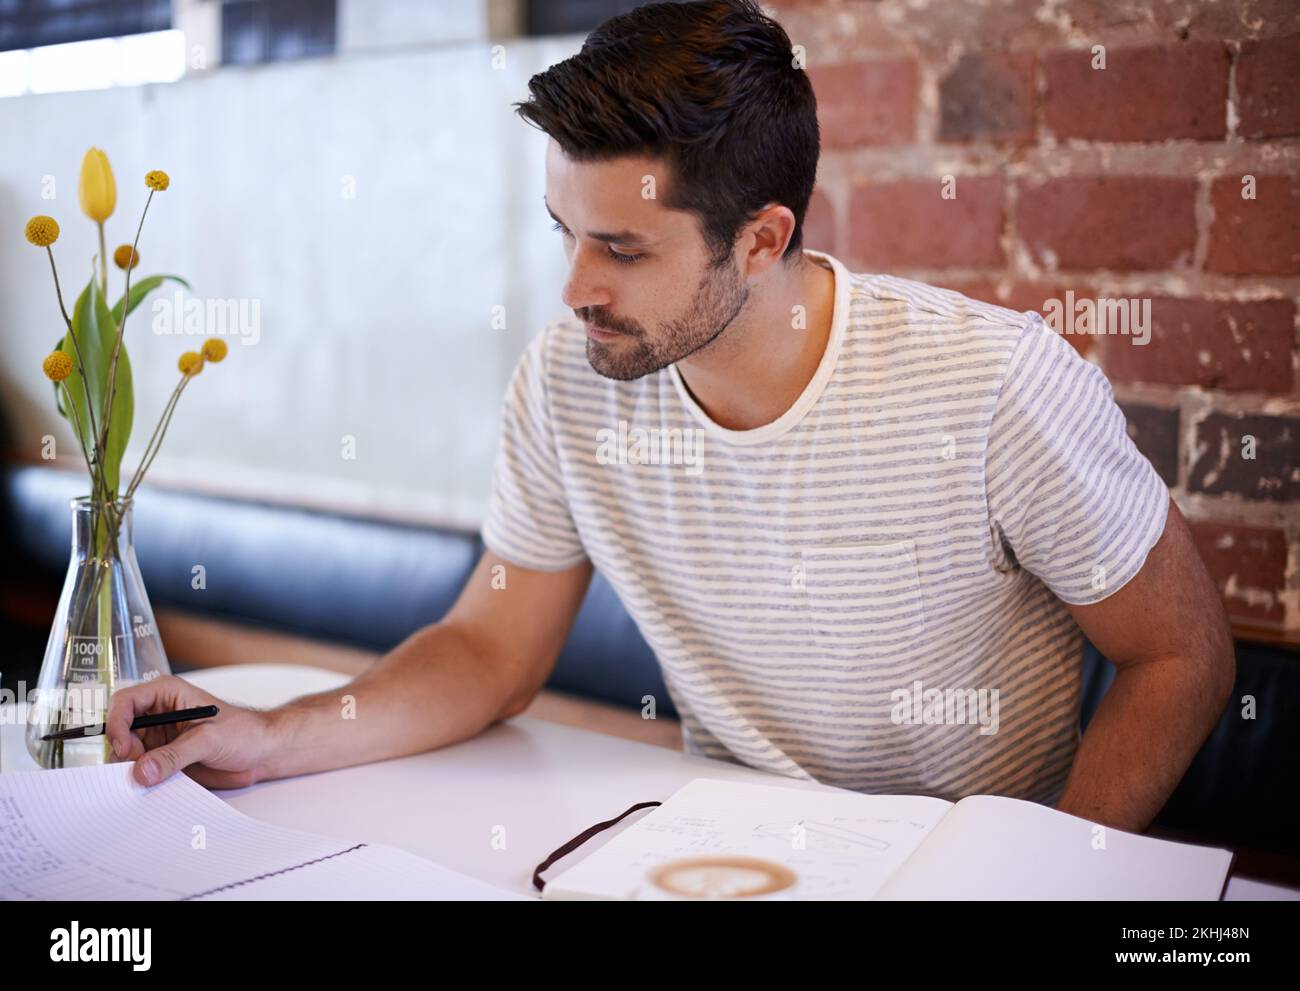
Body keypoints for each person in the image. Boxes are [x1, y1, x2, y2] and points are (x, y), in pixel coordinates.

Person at [107, 0, 1233, 832]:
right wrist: (272, 736)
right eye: (565, 231)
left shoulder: (996, 384)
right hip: (723, 853)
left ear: (761, 238)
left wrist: (1046, 876)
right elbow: (490, 647)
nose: (574, 289)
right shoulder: (568, 379)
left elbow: (1182, 655)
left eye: (625, 248)